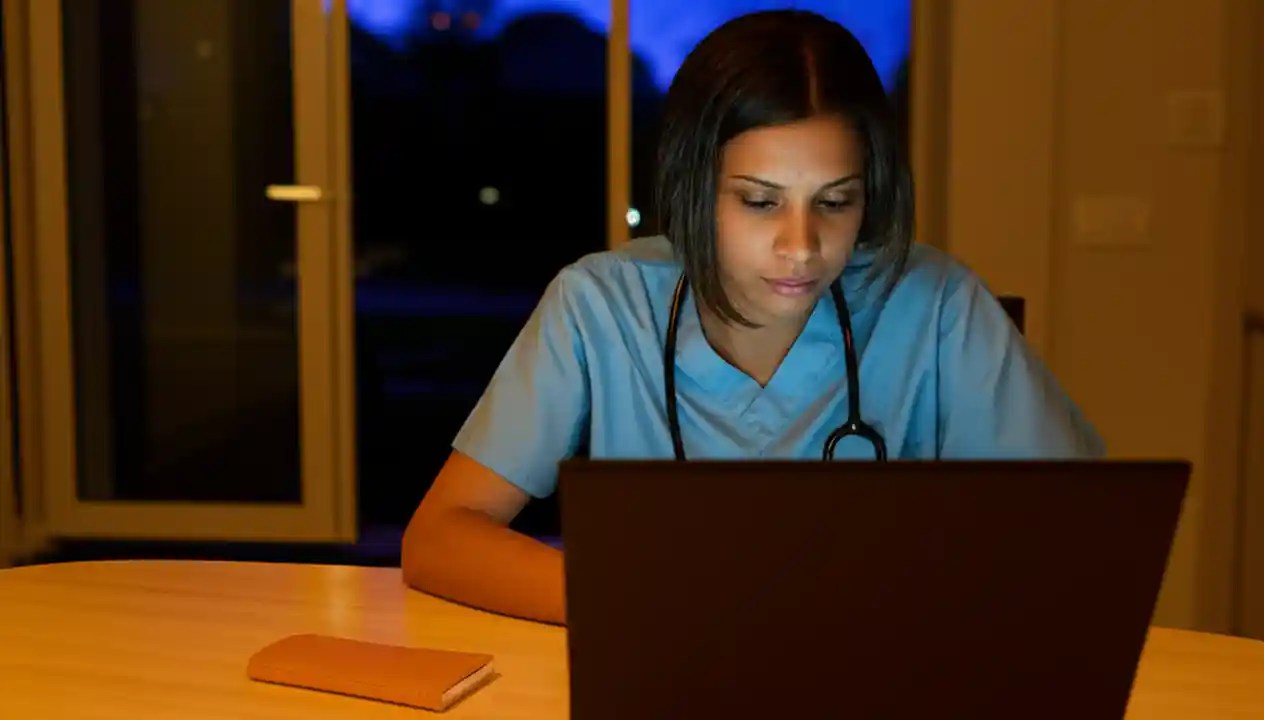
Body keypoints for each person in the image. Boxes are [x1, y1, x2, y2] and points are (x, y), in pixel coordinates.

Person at [401, 9, 1104, 625]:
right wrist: (642, 605)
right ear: (693, 189)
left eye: (835, 202)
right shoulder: (602, 306)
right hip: (660, 676)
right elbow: (439, 538)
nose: (801, 246)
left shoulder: (936, 304)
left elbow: (1084, 536)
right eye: (760, 201)